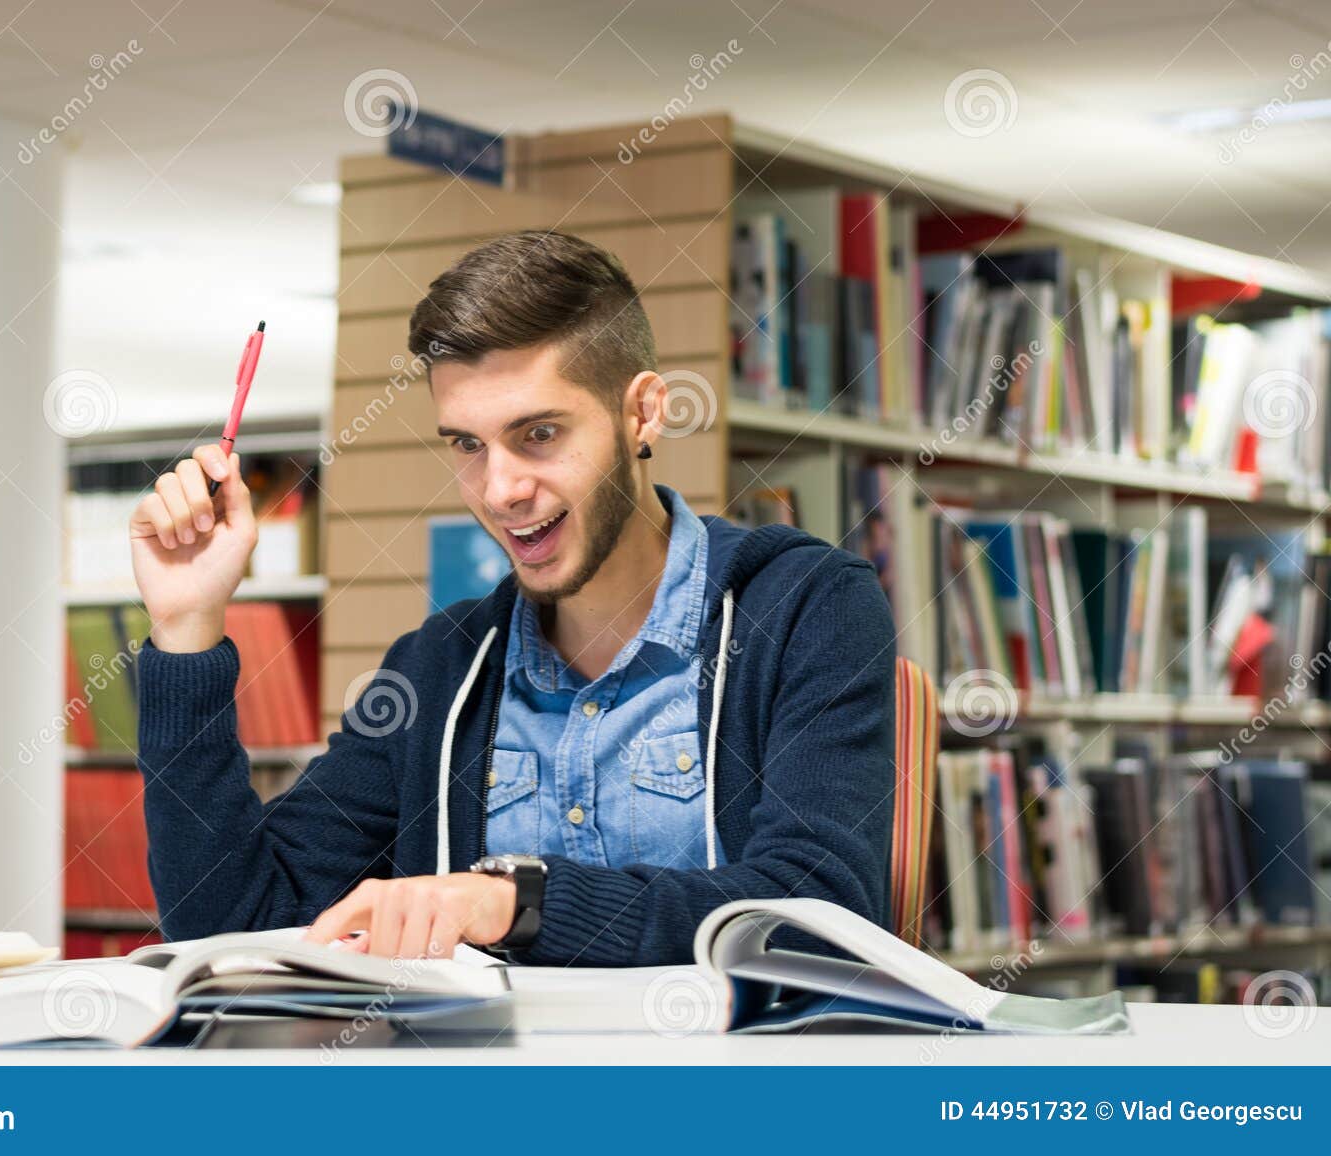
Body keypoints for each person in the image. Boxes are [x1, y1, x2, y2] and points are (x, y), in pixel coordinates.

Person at [128, 229, 896, 966]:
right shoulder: (440, 667)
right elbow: (232, 924)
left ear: (643, 413)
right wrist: (186, 629)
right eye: (467, 444)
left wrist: (509, 903)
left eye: (538, 434)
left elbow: (821, 911)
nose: (500, 491)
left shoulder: (806, 609)